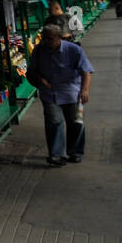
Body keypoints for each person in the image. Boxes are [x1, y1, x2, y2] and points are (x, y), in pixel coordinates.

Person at [27, 23, 94, 166]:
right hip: (49, 93)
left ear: (59, 38)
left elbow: (86, 71)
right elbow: (32, 70)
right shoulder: (39, 50)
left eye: (50, 39)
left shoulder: (74, 50)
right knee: (54, 121)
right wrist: (40, 80)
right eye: (45, 38)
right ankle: (56, 155)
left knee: (77, 122)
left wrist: (85, 90)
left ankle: (75, 152)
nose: (47, 42)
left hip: (72, 93)